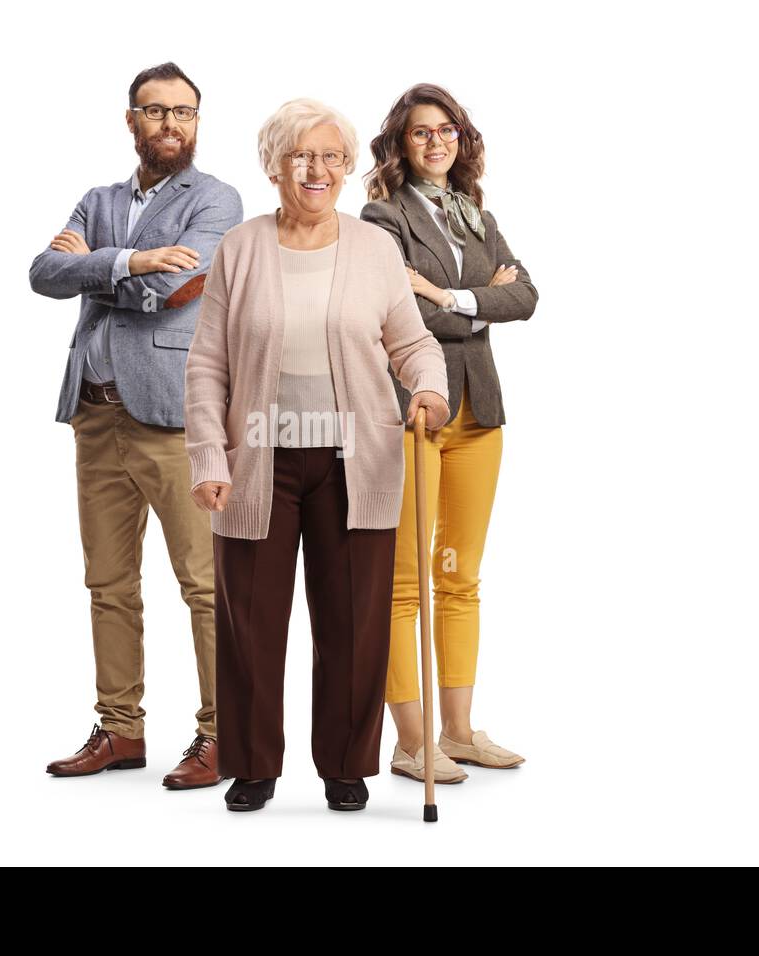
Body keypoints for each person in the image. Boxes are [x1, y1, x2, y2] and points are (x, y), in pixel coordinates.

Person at [183, 98, 449, 812]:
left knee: (356, 624)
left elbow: (413, 343)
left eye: (332, 156)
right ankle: (253, 765)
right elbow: (207, 364)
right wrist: (209, 456)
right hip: (257, 464)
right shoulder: (239, 248)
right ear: (275, 165)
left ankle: (344, 765)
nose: (318, 169)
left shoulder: (372, 249)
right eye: (302, 154)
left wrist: (427, 388)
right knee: (250, 626)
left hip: (354, 462)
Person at [29, 62, 243, 789]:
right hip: (95, 414)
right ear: (132, 121)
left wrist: (97, 269)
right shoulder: (99, 199)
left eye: (185, 112)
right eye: (157, 112)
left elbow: (181, 285)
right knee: (108, 582)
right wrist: (129, 259)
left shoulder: (215, 198)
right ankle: (120, 730)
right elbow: (41, 274)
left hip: (171, 417)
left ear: (197, 121)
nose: (171, 125)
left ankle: (223, 735)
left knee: (205, 587)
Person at [360, 83, 539, 782]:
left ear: (462, 141)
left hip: (478, 413)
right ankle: (410, 744)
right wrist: (480, 303)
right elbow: (388, 311)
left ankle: (458, 732)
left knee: (459, 576)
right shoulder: (381, 217)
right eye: (420, 133)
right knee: (404, 583)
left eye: (447, 132)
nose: (435, 143)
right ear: (400, 147)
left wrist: (441, 294)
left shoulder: (478, 217)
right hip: (413, 409)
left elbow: (526, 296)